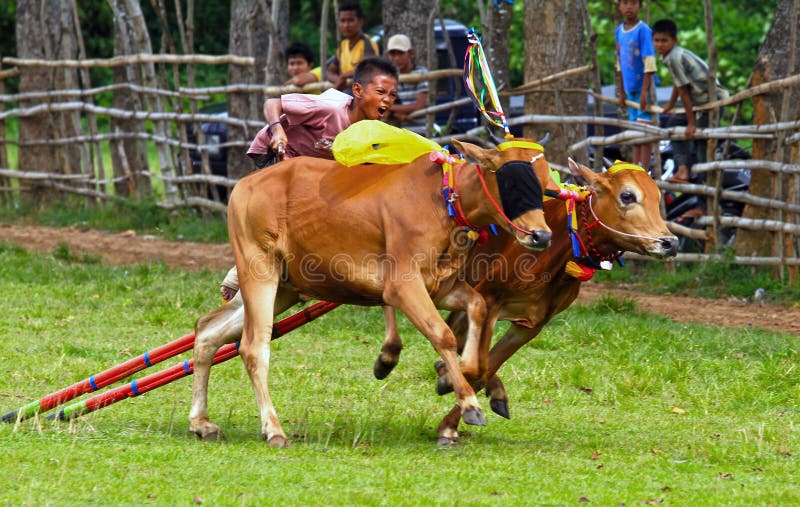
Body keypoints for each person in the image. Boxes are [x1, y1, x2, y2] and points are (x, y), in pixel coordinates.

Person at [223, 57, 399, 301]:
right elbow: (273, 103)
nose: (387, 100)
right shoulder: (330, 108)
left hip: (310, 169)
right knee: (279, 219)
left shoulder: (371, 132)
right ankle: (239, 275)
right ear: (357, 90)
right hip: (278, 152)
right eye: (381, 92)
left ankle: (296, 270)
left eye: (392, 95)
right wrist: (278, 130)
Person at [653, 18, 727, 182]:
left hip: (711, 104)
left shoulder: (675, 58)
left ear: (674, 40)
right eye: (657, 40)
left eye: (664, 40)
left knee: (702, 147)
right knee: (673, 124)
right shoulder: (672, 56)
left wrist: (692, 123)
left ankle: (703, 198)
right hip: (701, 104)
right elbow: (678, 83)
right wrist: (671, 104)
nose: (660, 44)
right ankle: (683, 169)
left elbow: (684, 92)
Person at [615, 0, 658, 168]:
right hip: (629, 88)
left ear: (639, 6)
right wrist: (622, 92)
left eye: (633, 3)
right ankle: (635, 167)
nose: (629, 7)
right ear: (619, 6)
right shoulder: (619, 31)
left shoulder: (643, 30)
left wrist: (644, 93)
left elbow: (649, 62)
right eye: (625, 3)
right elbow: (619, 62)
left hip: (644, 88)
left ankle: (643, 169)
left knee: (644, 133)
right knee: (635, 133)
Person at [325, 1, 380, 91]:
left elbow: (368, 69)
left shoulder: (367, 43)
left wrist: (344, 75)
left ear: (360, 21)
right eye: (342, 21)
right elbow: (329, 72)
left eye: (350, 20)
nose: (346, 25)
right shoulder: (342, 46)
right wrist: (338, 80)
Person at [384, 34, 429, 132]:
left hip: (420, 130)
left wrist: (390, 108)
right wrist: (398, 114)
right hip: (400, 132)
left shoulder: (421, 73)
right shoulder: (390, 76)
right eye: (393, 54)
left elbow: (419, 105)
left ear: (410, 53)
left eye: (400, 53)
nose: (396, 58)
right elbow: (384, 110)